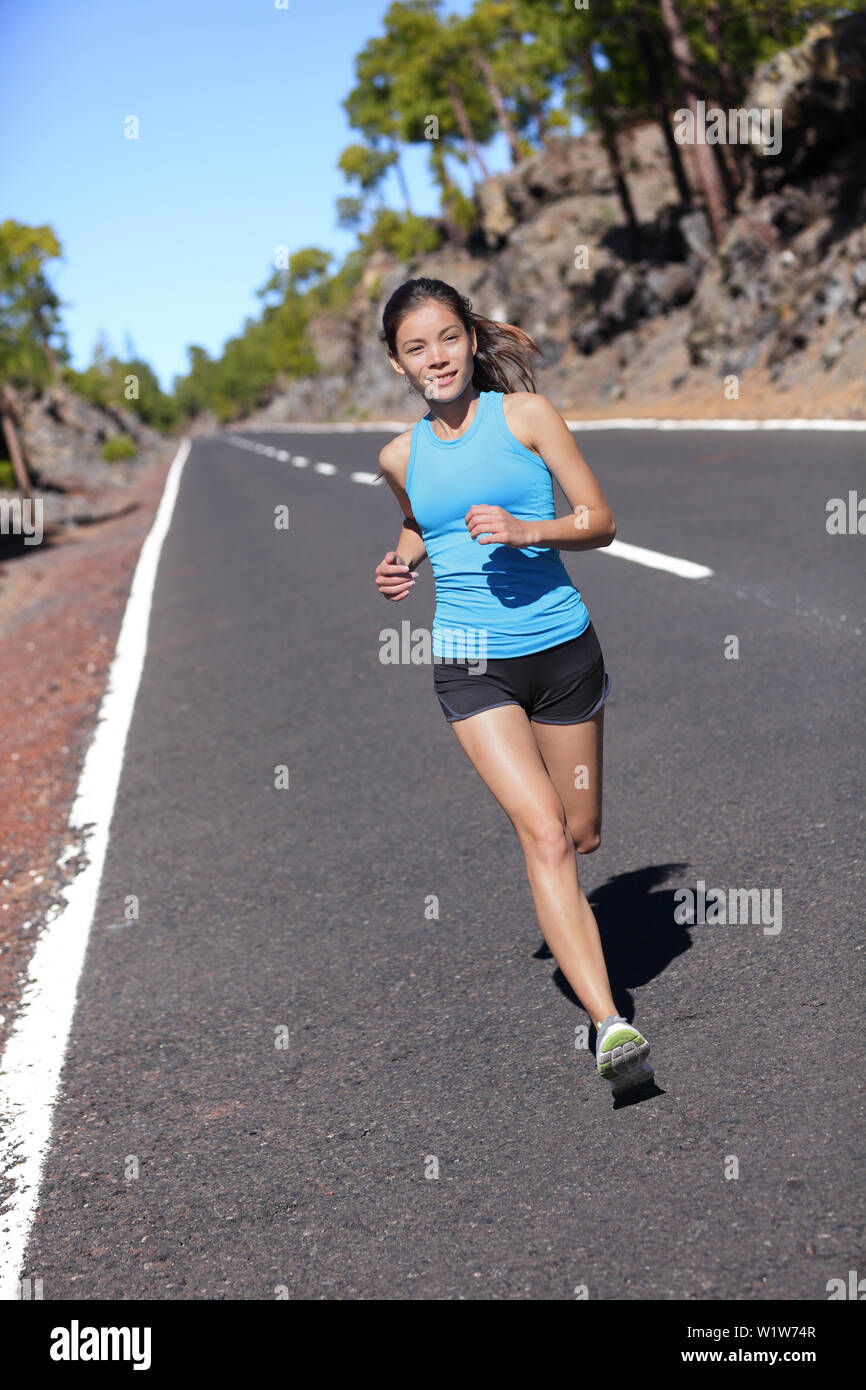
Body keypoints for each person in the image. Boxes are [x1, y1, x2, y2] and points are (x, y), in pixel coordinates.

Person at [373, 276, 654, 1099]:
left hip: (563, 649)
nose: (437, 358)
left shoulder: (525, 417)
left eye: (448, 338)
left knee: (582, 830)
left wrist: (532, 529)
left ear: (469, 338)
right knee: (543, 836)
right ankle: (611, 1024)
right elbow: (421, 517)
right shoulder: (400, 455)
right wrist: (405, 561)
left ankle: (592, 951)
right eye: (417, 347)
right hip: (470, 661)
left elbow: (599, 518)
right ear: (398, 363)